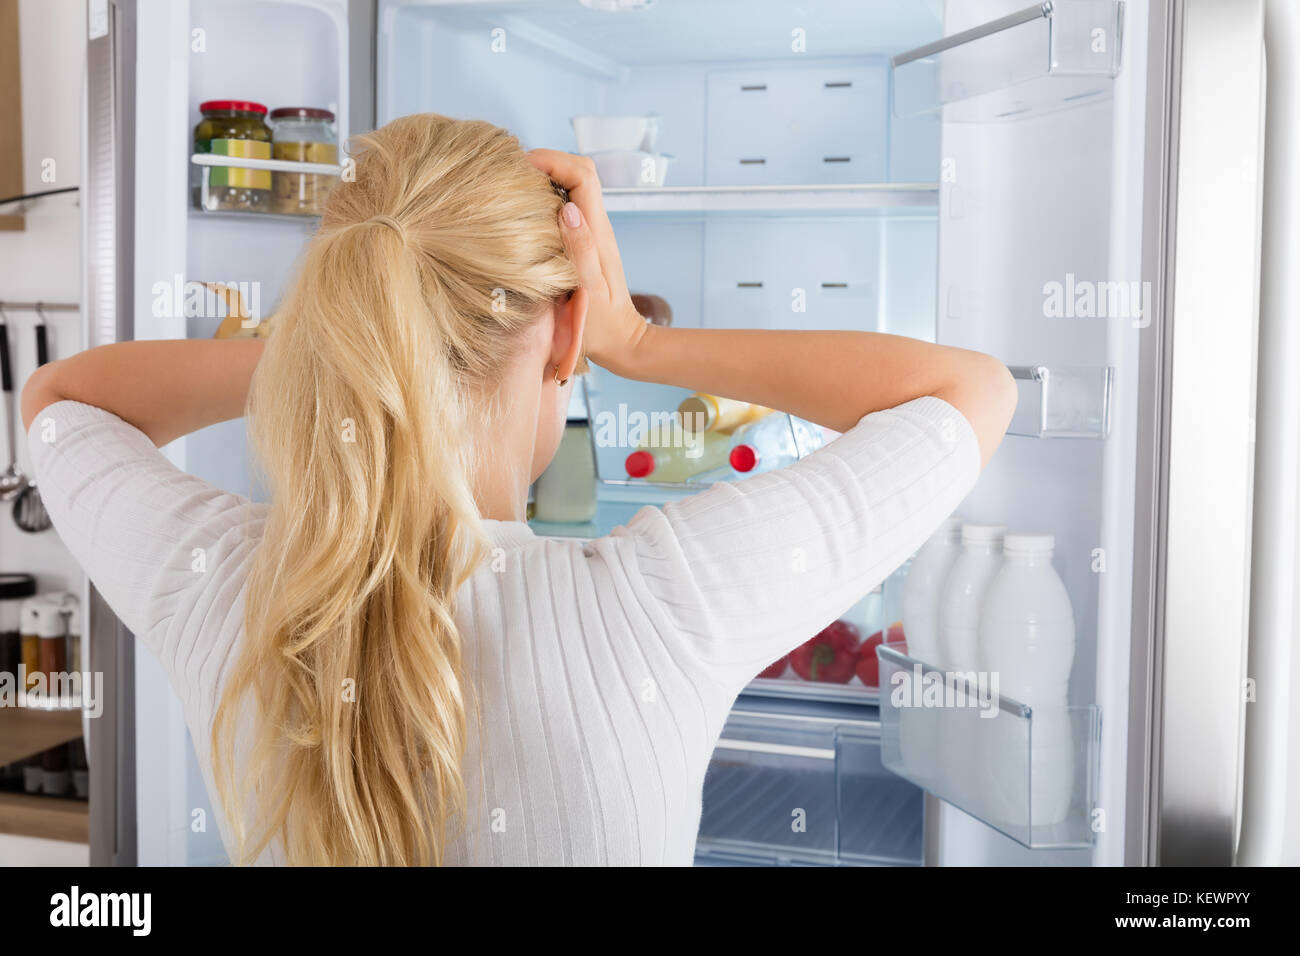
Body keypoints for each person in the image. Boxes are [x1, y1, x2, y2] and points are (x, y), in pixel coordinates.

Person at [20, 113, 1016, 865]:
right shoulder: (666, 598)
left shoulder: (223, 585)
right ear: (565, 337)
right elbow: (968, 390)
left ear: (332, 325)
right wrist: (642, 339)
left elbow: (62, 401)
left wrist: (344, 350)